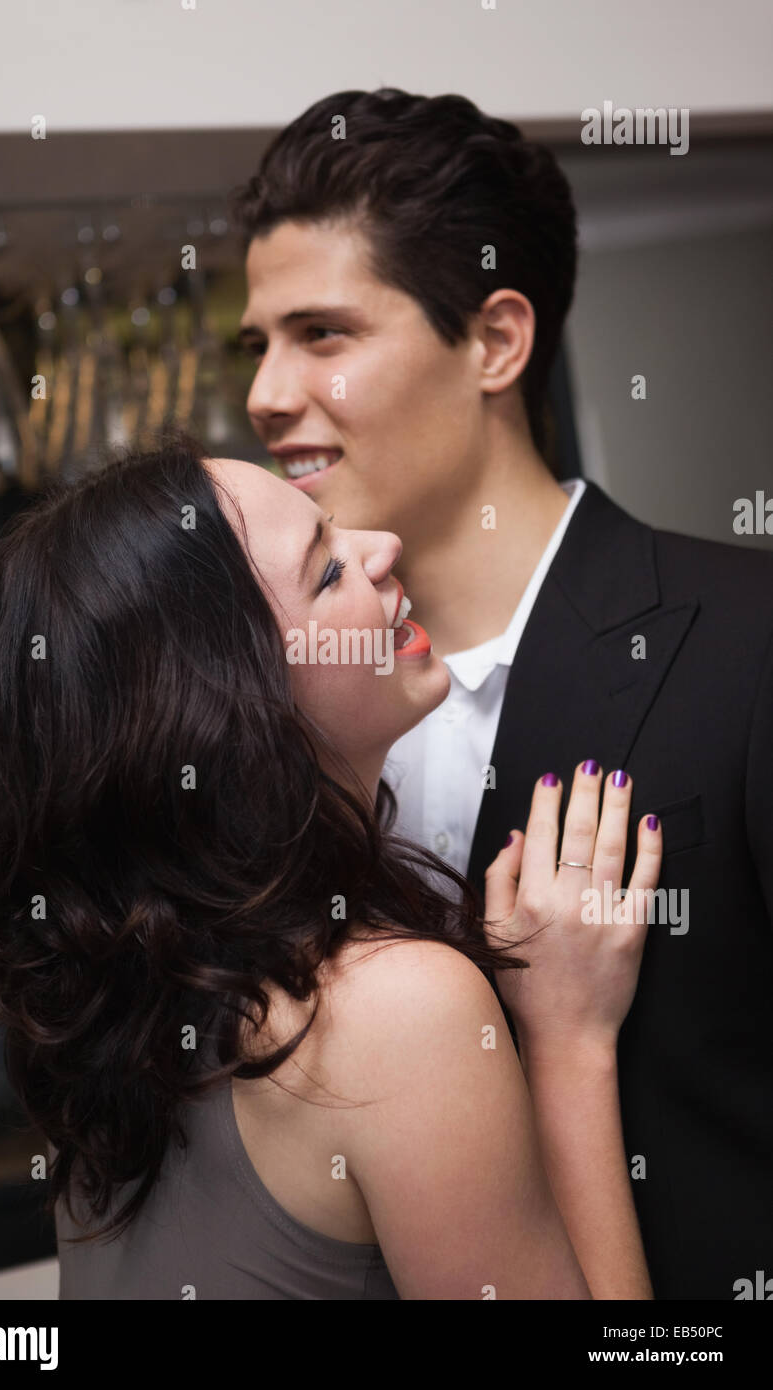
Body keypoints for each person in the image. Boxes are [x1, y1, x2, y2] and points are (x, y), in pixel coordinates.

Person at [231, 87, 773, 1300]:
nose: (266, 393)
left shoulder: (747, 644)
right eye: (255, 344)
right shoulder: (282, 706)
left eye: (320, 334)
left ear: (493, 342)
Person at [0, 432, 661, 1300]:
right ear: (230, 710)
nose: (382, 549)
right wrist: (571, 1040)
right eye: (326, 572)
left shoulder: (106, 1008)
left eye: (335, 530)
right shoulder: (396, 1010)